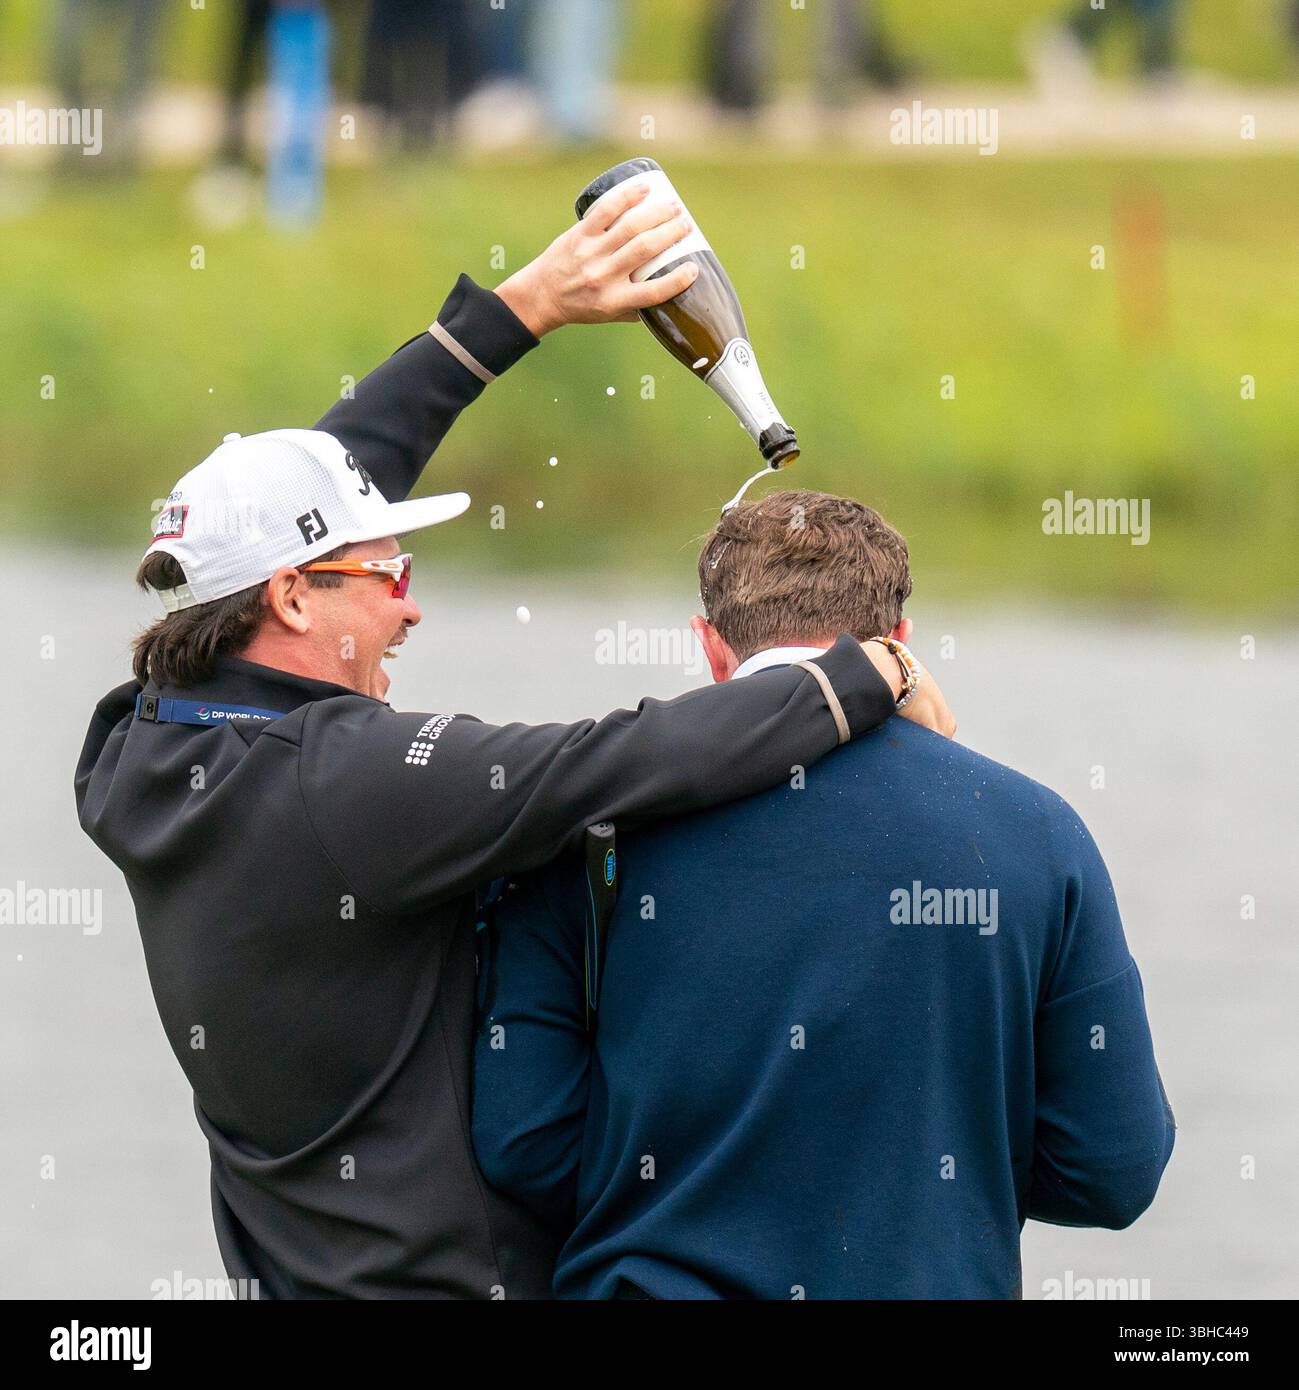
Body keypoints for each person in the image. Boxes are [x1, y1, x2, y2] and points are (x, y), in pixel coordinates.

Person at [75, 183, 954, 1300]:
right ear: (292, 601)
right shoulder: (345, 787)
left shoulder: (153, 733)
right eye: (390, 575)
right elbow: (624, 760)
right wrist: (870, 673)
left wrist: (531, 302)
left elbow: (311, 487)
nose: (410, 607)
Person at [472, 489, 1175, 1300]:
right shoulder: (1039, 833)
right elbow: (1113, 1170)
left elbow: (522, 1145)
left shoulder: (584, 829)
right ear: (900, 642)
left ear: (710, 647)